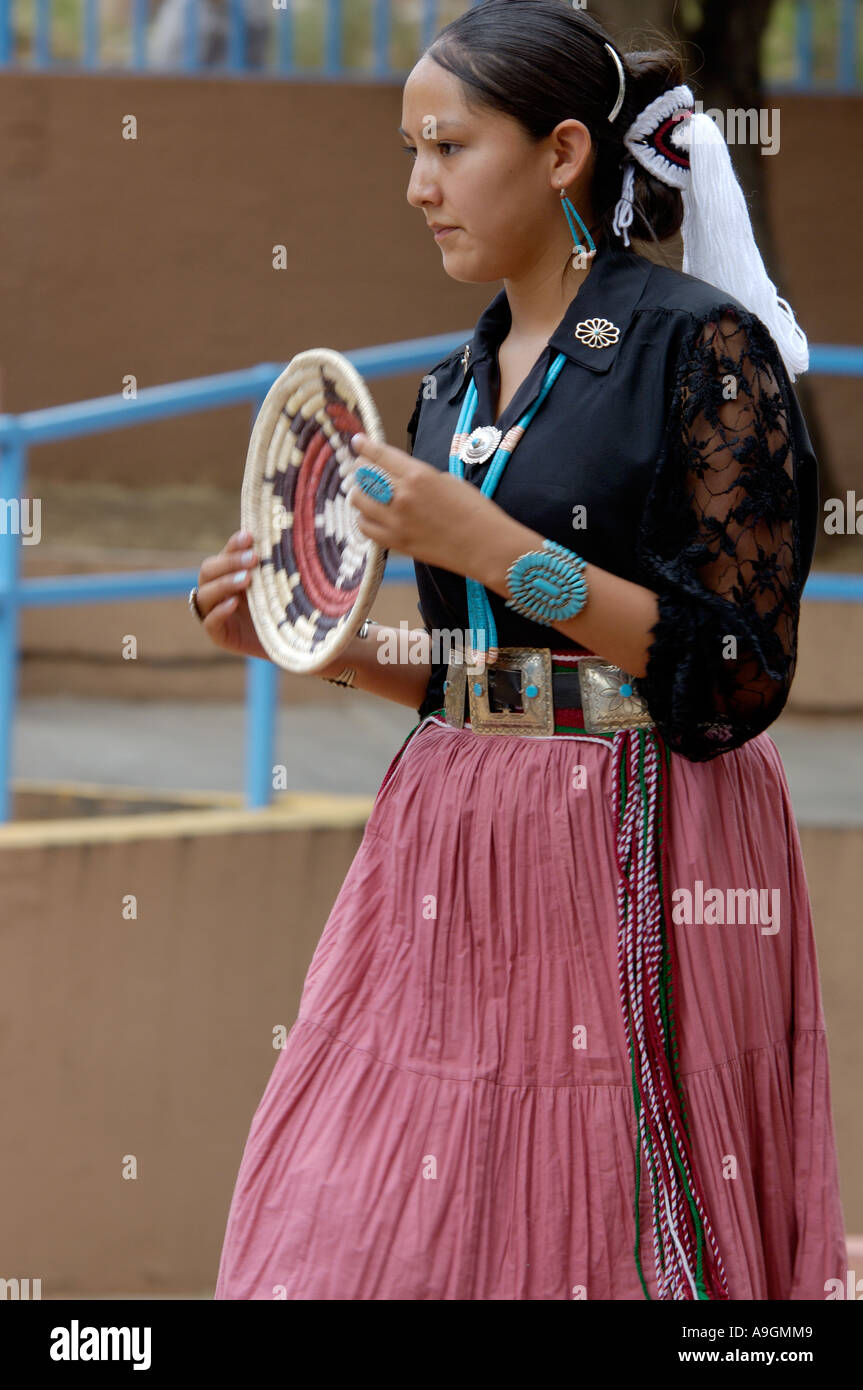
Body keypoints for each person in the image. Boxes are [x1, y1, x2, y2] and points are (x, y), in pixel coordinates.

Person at [192, 0, 847, 1299]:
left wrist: (493, 544)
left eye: (448, 147)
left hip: (643, 827)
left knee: (610, 1214)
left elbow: (733, 672)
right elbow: (475, 673)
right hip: (449, 841)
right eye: (410, 153)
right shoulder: (452, 387)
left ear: (561, 153)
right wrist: (309, 643)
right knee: (352, 1206)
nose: (418, 187)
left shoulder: (699, 349)